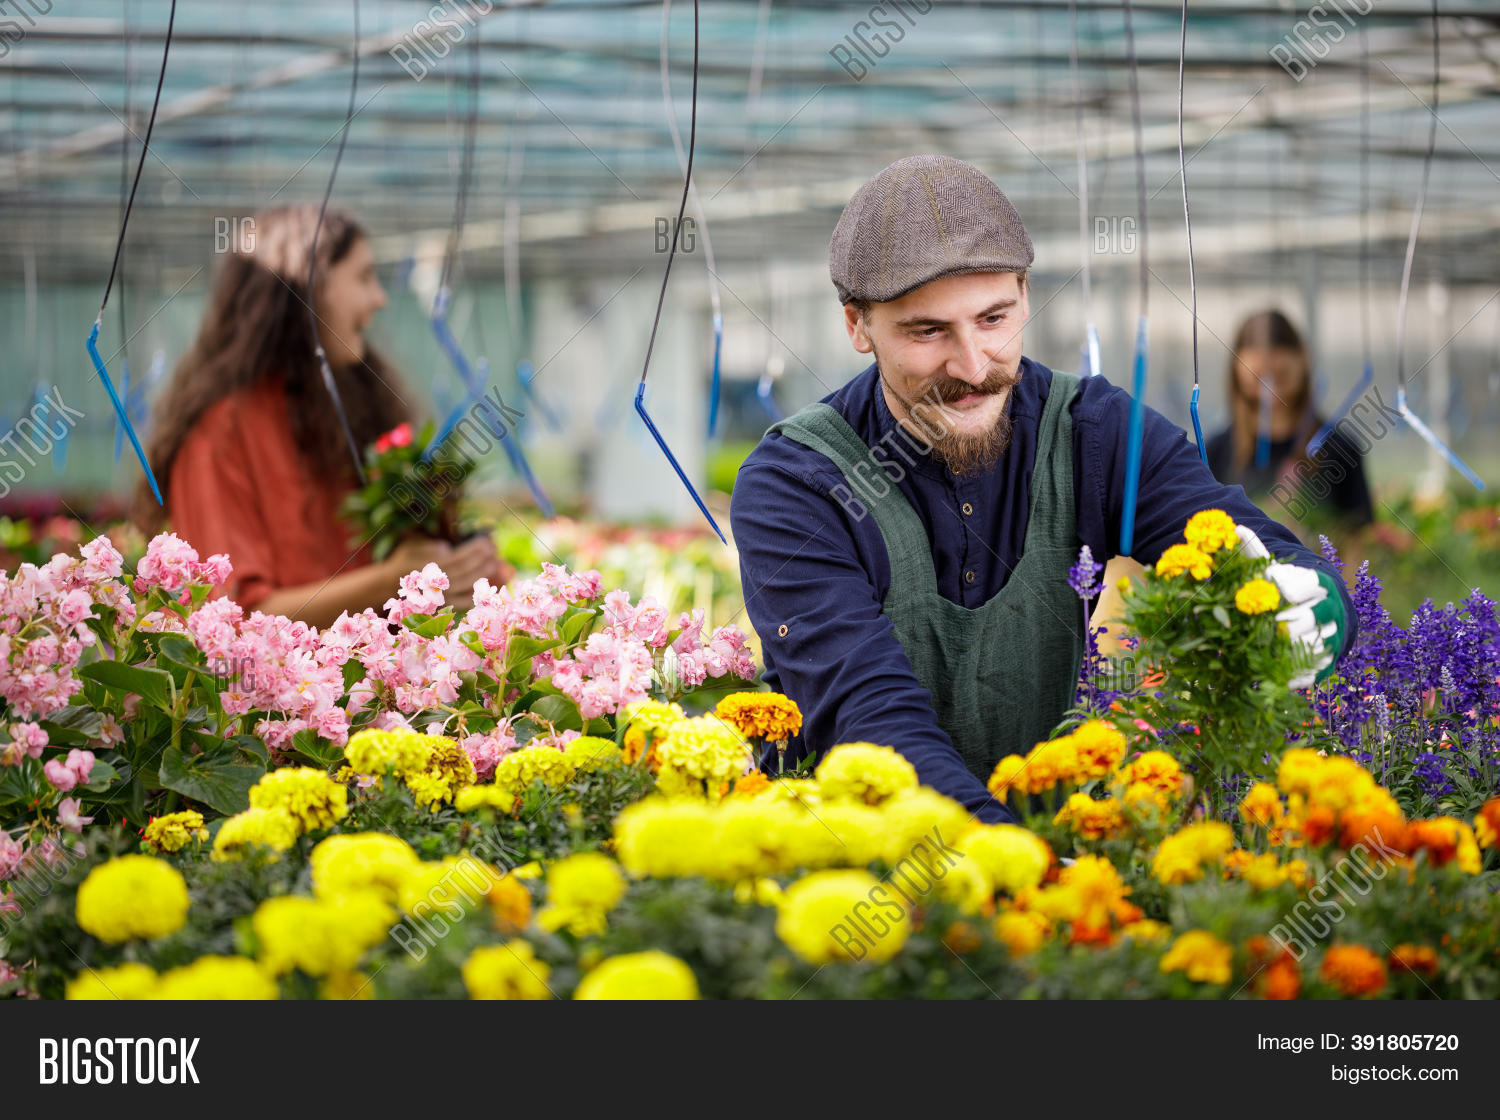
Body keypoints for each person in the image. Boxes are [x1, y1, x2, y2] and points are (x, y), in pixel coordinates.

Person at [730, 155, 1357, 824]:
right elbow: (870, 712)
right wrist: (1022, 862)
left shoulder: (1096, 434)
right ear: (858, 325)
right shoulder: (798, 482)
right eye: (928, 331)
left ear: (1026, 296)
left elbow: (1274, 559)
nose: (972, 368)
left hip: (1045, 850)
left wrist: (1304, 614)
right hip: (841, 862)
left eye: (994, 319)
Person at [133, 203, 507, 627]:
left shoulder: (351, 408)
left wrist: (462, 564)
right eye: (364, 277)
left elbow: (408, 564)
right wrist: (390, 580)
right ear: (304, 289)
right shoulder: (219, 434)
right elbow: (233, 620)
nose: (379, 299)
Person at [1204, 310, 1373, 527]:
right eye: (1258, 377)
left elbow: (1357, 537)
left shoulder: (1340, 448)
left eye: (1280, 375)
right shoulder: (1217, 451)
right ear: (1237, 370)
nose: (1269, 388)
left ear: (1303, 360)